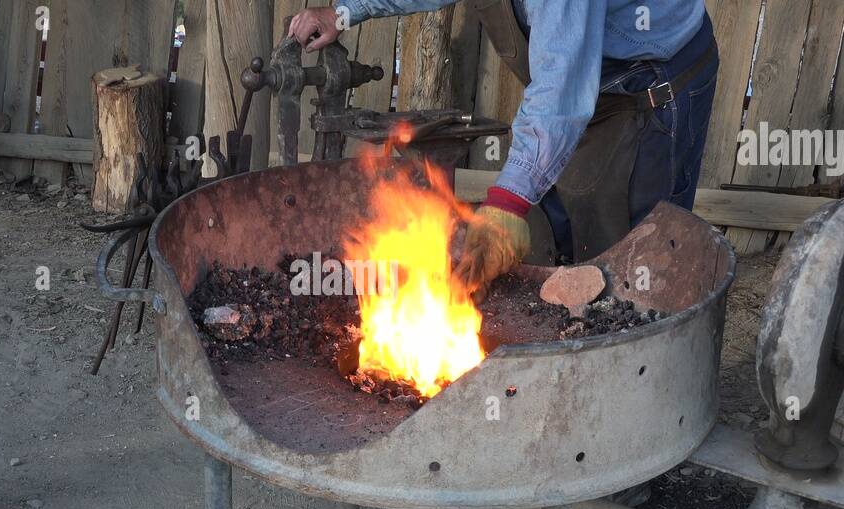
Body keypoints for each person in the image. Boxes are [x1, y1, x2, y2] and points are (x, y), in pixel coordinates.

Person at [290, 0, 719, 292]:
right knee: (565, 248)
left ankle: (645, 401)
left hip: (651, 85)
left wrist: (509, 200)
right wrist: (346, 11)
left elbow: (560, 84)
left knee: (642, 270)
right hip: (583, 84)